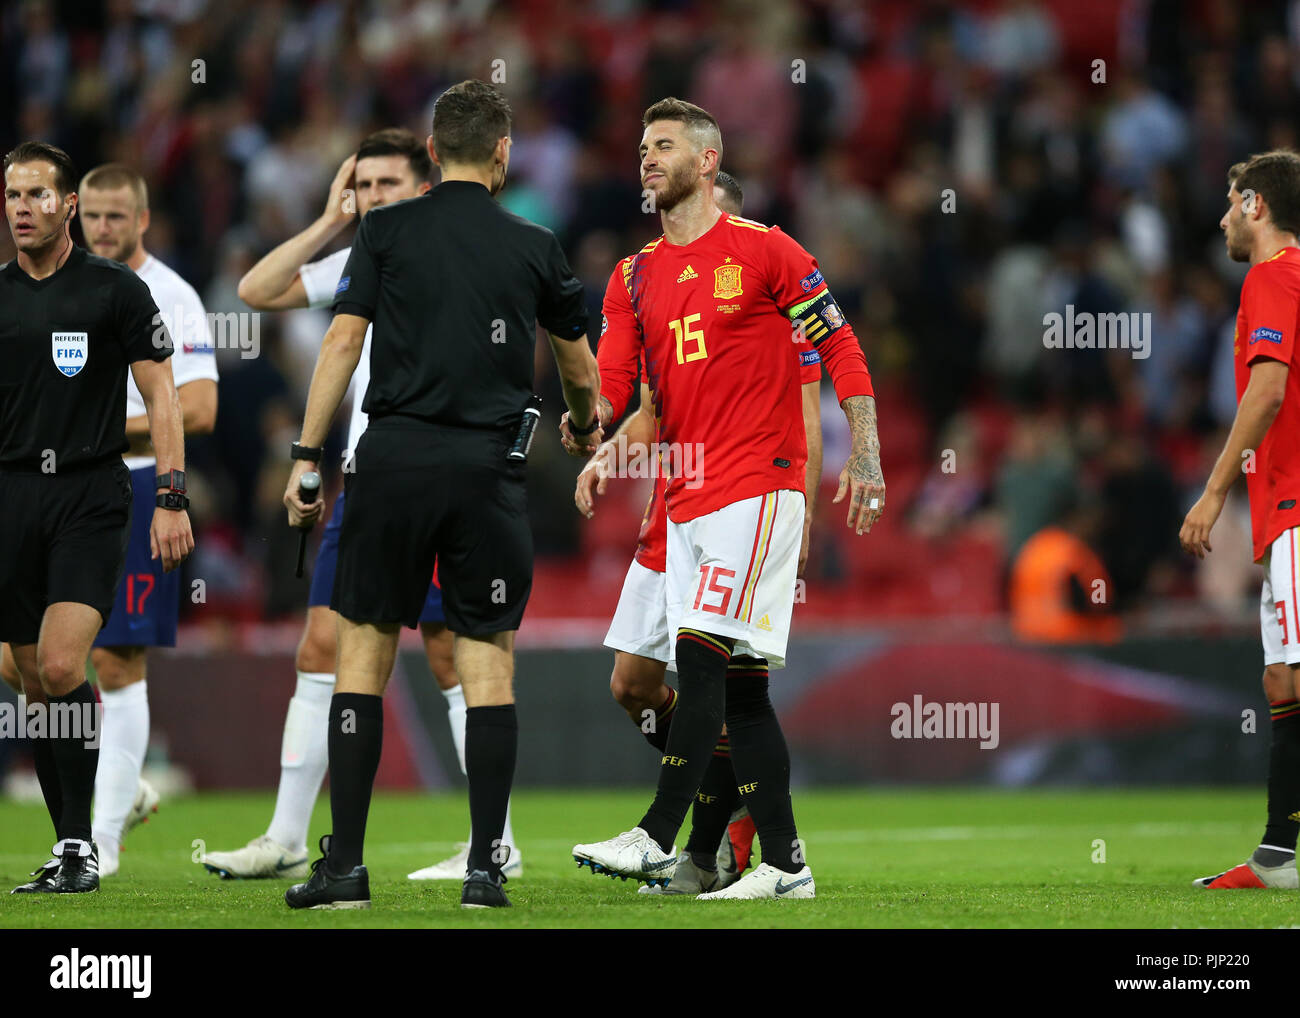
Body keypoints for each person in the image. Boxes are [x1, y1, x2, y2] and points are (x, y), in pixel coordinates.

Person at [281, 80, 600, 910]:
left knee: (362, 656)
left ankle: (346, 867)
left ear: (430, 154)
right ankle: (485, 869)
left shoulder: (383, 231)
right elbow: (577, 366)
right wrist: (584, 423)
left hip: (390, 462)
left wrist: (309, 457)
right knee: (487, 662)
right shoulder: (535, 243)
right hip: (487, 472)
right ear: (502, 155)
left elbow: (342, 347)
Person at [567, 99, 883, 900]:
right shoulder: (632, 276)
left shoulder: (766, 252)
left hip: (758, 483)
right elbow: (616, 385)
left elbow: (840, 343)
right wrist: (594, 432)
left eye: (664, 144)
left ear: (707, 162)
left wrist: (868, 454)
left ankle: (659, 834)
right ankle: (783, 864)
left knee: (700, 654)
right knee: (740, 689)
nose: (647, 156)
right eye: (641, 146)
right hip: (684, 501)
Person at [198, 128, 524, 882]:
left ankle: (494, 844)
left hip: (440, 474)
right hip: (363, 478)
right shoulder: (360, 255)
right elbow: (256, 291)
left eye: (386, 186)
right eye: (364, 185)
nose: (373, 197)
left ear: (425, 187)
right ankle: (284, 836)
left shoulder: (450, 256)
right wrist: (329, 218)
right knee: (320, 648)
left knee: (454, 653)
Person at [1, 141, 193, 894]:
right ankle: (69, 845)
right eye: (12, 196)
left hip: (88, 495)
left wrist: (171, 497)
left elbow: (164, 397)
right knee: (29, 682)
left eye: (37, 195)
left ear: (68, 206)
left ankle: (82, 842)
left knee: (58, 666)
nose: (21, 209)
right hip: (11, 497)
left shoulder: (115, 292)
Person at [1181, 150, 1300, 890]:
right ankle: (1278, 857)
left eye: (1230, 202)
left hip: (1293, 503)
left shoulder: (1273, 276)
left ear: (1256, 204)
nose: (1222, 217)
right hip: (1283, 508)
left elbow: (1268, 392)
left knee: (1293, 674)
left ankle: (1278, 858)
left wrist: (1214, 492)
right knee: (1282, 681)